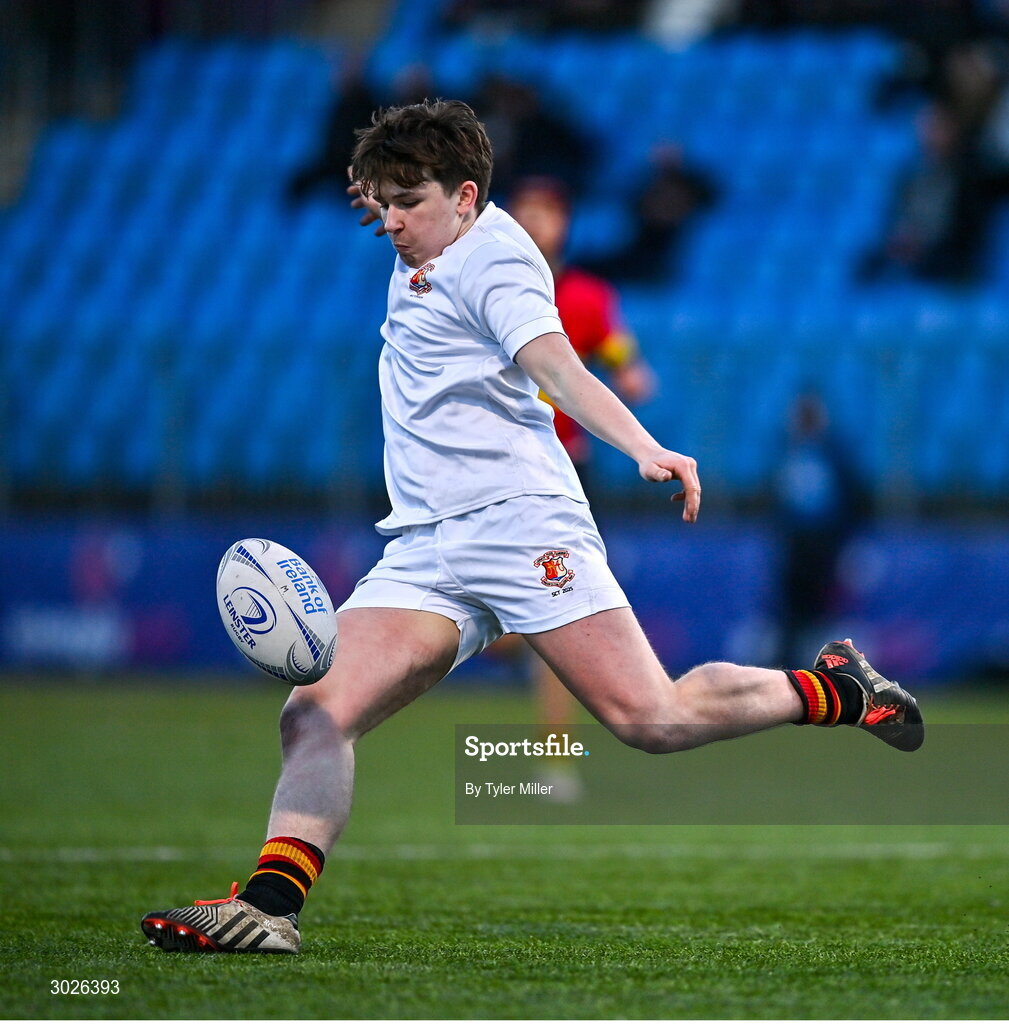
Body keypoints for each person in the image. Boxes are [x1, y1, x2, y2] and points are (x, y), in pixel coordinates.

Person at [141, 100, 924, 955]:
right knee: (315, 712)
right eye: (384, 201)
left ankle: (836, 689)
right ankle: (268, 910)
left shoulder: (496, 260)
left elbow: (555, 366)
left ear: (467, 195)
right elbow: (405, 211)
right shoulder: (430, 236)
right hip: (427, 545)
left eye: (410, 200)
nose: (393, 219)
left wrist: (644, 446)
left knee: (648, 719)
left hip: (520, 525)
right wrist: (384, 192)